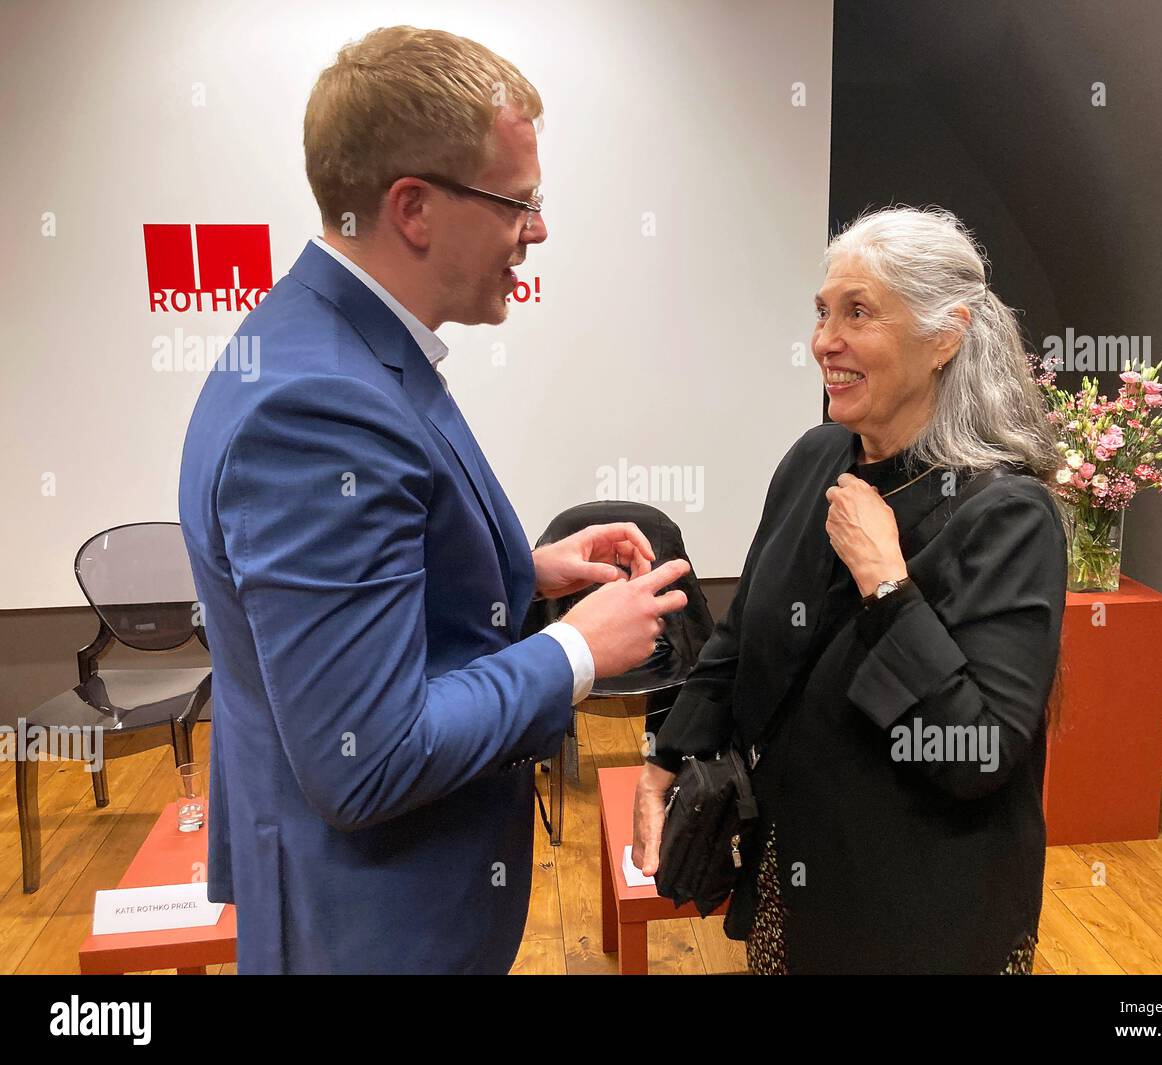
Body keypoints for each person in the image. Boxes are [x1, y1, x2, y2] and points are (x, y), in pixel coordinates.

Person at [178, 26, 688, 974]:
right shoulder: (318, 408)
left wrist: (518, 570)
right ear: (412, 207)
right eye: (518, 204)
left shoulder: (329, 344)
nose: (536, 232)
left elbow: (339, 601)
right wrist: (576, 648)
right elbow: (366, 754)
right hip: (375, 925)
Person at [632, 206, 1067, 974]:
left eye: (858, 312)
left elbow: (979, 751)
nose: (824, 341)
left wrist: (887, 584)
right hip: (794, 873)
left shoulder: (1008, 514)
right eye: (823, 311)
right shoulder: (817, 456)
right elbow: (740, 638)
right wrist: (663, 757)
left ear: (945, 335)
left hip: (922, 913)